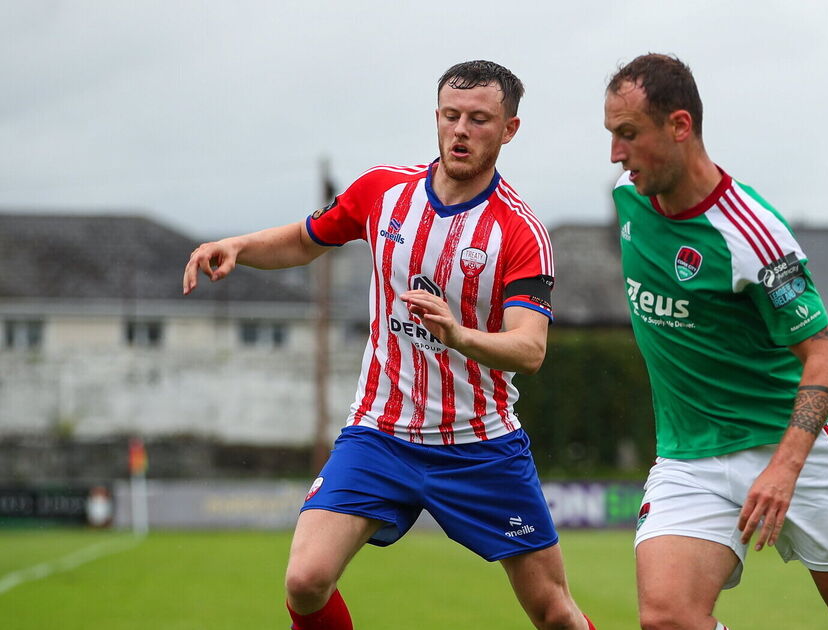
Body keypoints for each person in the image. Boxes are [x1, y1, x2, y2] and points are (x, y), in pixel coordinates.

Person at [183, 60, 594, 630]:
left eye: (479, 119)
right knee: (305, 581)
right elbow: (305, 241)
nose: (461, 130)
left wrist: (459, 335)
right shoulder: (384, 192)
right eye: (451, 116)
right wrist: (239, 245)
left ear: (509, 130)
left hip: (480, 445)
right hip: (380, 434)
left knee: (554, 613)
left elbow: (530, 348)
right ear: (436, 118)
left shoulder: (519, 231)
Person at [605, 52, 828, 630]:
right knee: (668, 618)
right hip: (689, 455)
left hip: (794, 450)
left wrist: (784, 468)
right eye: (611, 136)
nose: (616, 155)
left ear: (680, 125)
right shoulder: (628, 201)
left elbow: (826, 356)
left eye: (628, 134)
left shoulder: (751, 233)